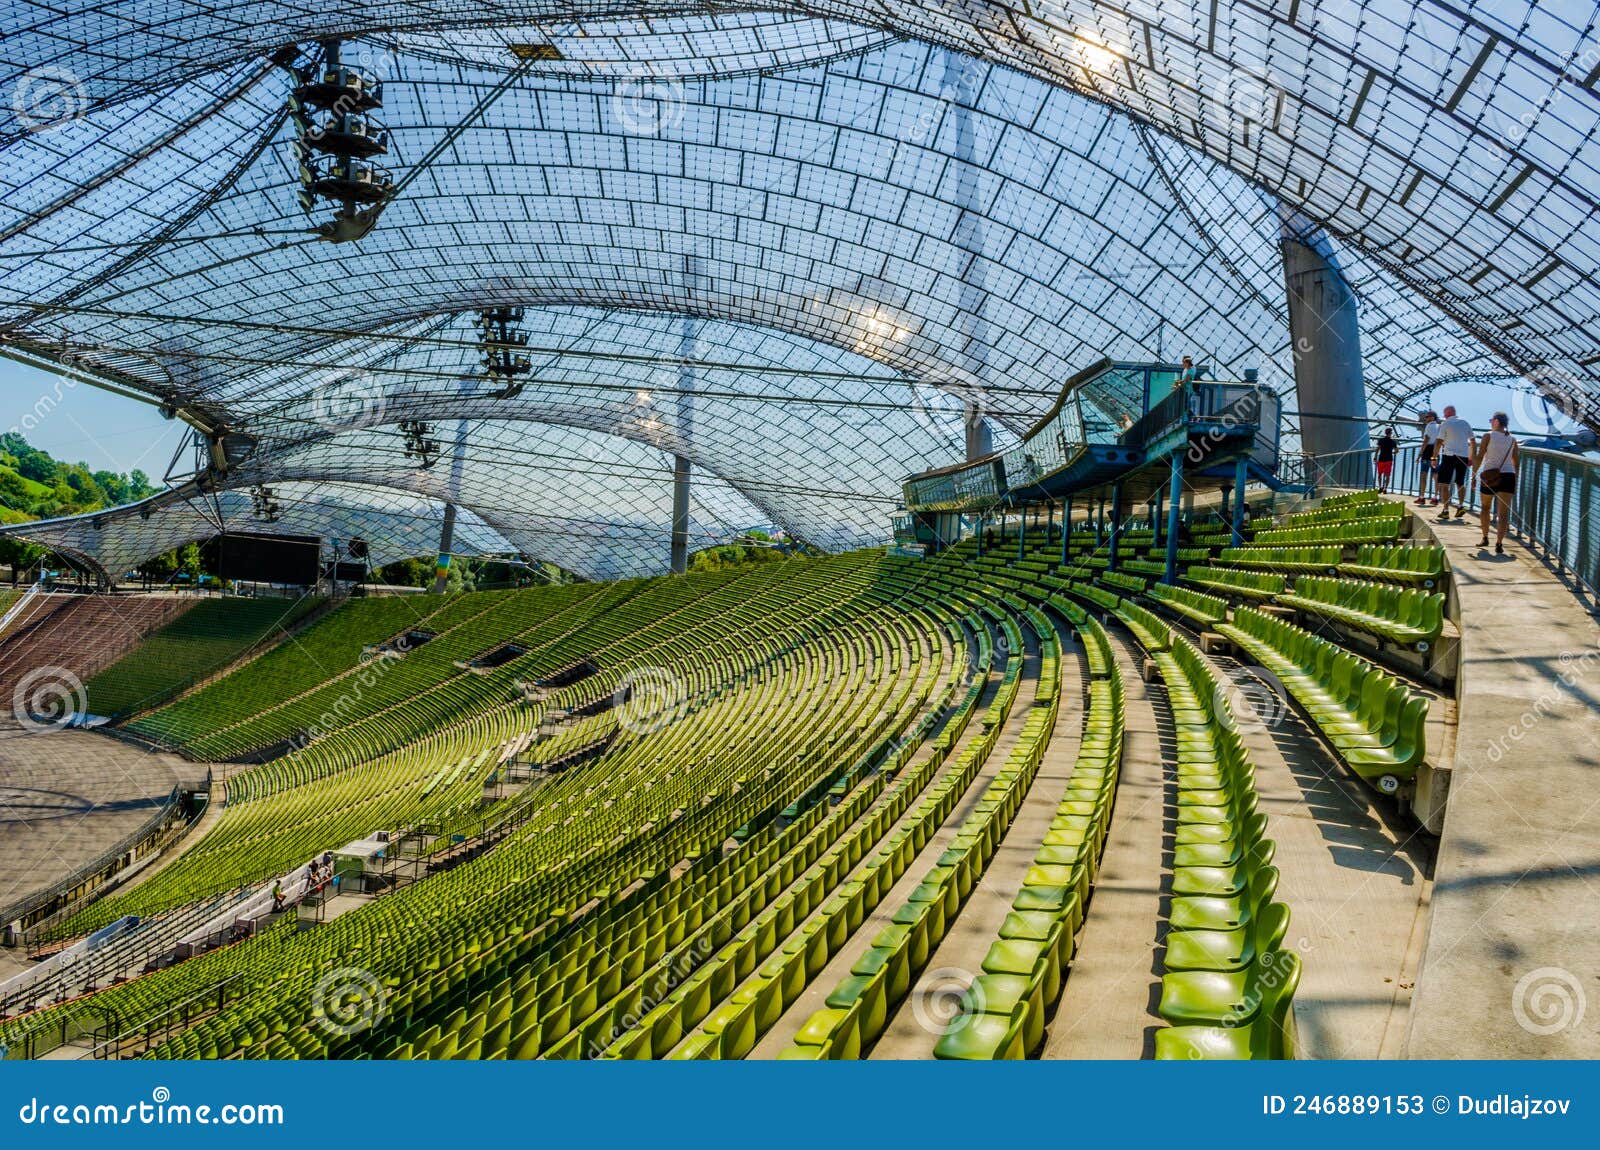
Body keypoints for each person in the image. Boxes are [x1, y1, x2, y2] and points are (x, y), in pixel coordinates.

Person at [1475, 412, 1519, 555]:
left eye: (1491, 420)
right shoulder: (1512, 439)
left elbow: (1480, 455)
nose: (1490, 423)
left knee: (1485, 507)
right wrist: (1515, 480)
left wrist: (1474, 474)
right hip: (1508, 476)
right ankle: (1499, 543)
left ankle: (1485, 537)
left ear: (1496, 421)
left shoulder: (1488, 436)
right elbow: (1516, 462)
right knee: (1504, 513)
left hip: (1489, 475)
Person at [1433, 405, 1474, 520]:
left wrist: (1434, 457)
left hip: (1449, 456)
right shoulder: (1465, 423)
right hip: (1463, 456)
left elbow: (1439, 441)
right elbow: (1473, 441)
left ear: (1446, 414)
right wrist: (1471, 457)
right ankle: (1460, 506)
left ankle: (1446, 510)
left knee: (1444, 484)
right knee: (1460, 482)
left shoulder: (1445, 424)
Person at [1415, 411, 1440, 505]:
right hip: (1436, 452)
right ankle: (1435, 497)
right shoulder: (1439, 426)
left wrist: (1420, 454)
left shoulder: (1429, 426)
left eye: (1427, 417)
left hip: (1427, 452)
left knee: (1423, 475)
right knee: (1435, 475)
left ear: (1432, 417)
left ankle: (1421, 497)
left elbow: (1426, 440)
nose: (1426, 419)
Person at [1373, 425, 1397, 493]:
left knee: (1380, 474)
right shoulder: (1393, 442)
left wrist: (1375, 457)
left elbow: (1377, 449)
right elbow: (1397, 450)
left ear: (1385, 433)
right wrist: (1393, 452)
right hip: (1389, 459)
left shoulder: (1381, 440)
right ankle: (1385, 488)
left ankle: (1380, 487)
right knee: (1387, 475)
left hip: (1381, 459)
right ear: (1391, 433)